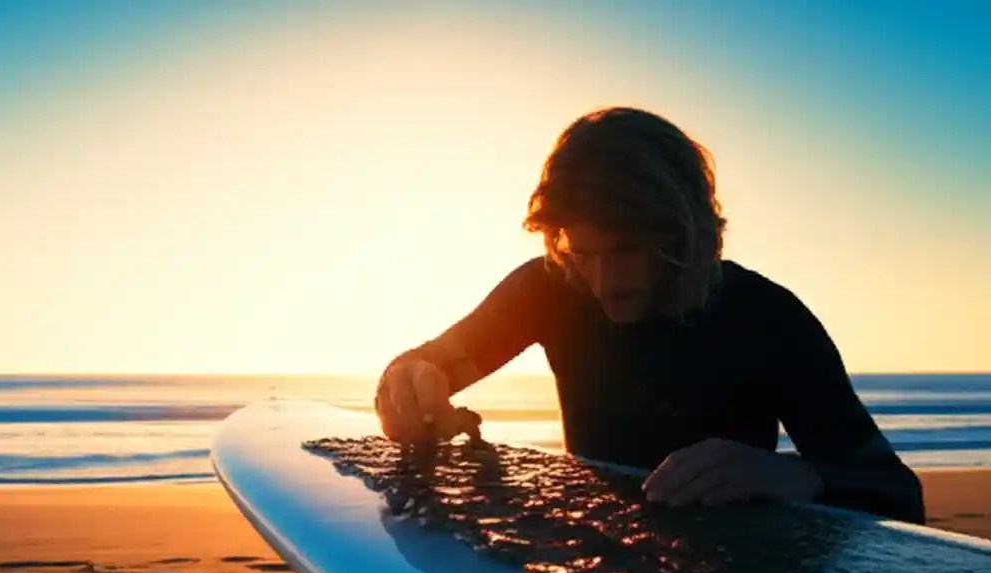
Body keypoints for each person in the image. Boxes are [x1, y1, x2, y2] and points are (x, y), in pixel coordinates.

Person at [373, 107, 925, 524]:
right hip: (594, 572)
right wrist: (410, 384)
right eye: (584, 253)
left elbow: (897, 495)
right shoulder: (550, 288)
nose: (603, 284)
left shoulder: (768, 319)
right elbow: (437, 363)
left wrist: (794, 474)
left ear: (687, 233)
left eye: (628, 250)